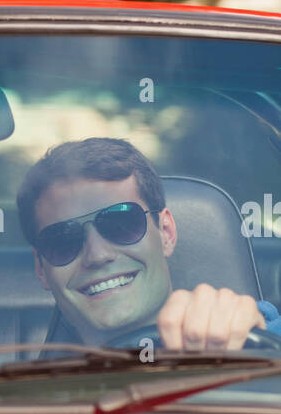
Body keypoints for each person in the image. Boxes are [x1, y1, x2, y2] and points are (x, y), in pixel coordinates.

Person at [16, 137, 281, 351]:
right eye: (64, 240)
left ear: (165, 231)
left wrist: (253, 341)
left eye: (120, 224)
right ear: (41, 269)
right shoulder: (14, 408)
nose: (97, 255)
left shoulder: (259, 335)